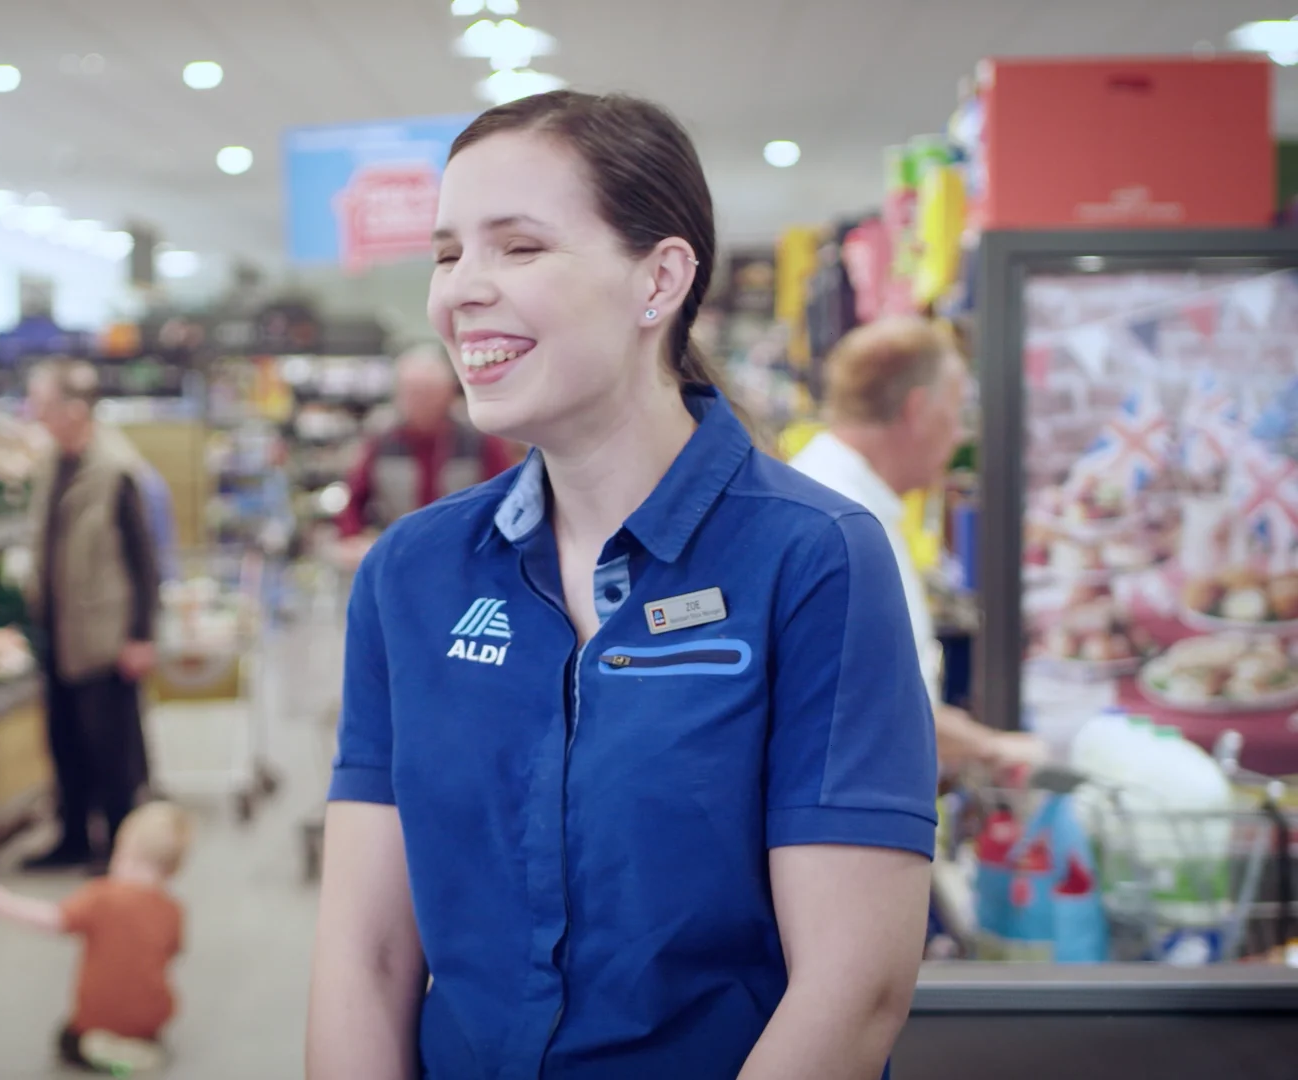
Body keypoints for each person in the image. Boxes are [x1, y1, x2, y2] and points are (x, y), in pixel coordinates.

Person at [307, 91, 937, 1079]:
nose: (461, 290)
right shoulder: (412, 575)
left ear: (660, 279)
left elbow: (852, 992)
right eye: (447, 254)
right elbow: (367, 955)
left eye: (518, 247)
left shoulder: (813, 559)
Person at [791, 318, 1046, 774]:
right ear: (916, 409)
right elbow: (877, 707)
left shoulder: (840, 499)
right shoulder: (839, 519)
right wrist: (993, 747)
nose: (959, 435)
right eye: (954, 412)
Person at [23, 359, 161, 872]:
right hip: (60, 628)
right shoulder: (52, 463)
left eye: (44, 404)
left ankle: (122, 848)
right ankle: (74, 837)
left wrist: (141, 634)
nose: (36, 414)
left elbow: (144, 559)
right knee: (65, 741)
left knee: (112, 747)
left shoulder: (115, 468)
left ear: (75, 409)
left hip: (105, 633)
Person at [0, 801, 190, 1073]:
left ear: (124, 852)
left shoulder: (101, 896)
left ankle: (107, 1054)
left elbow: (53, 919)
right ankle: (139, 1045)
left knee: (66, 1038)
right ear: (173, 869)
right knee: (142, 1015)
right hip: (151, 1019)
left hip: (97, 1018)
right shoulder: (173, 911)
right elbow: (172, 953)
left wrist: (2, 903)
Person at [332, 343, 514, 566]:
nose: (419, 401)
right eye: (412, 392)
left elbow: (506, 497)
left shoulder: (479, 440)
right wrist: (351, 538)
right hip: (400, 553)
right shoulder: (381, 440)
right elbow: (354, 498)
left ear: (449, 393)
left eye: (429, 393)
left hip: (464, 556)